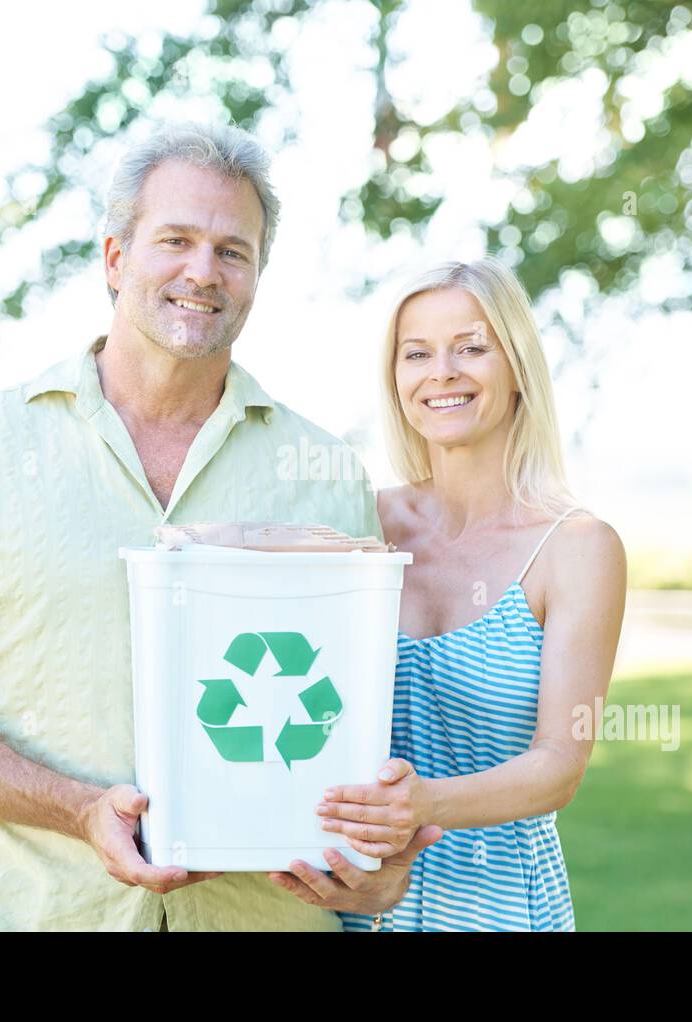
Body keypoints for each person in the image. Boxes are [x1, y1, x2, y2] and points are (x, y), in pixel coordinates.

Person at [0, 121, 426, 931]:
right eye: (174, 239)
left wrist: (373, 875)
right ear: (115, 258)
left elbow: (353, 723)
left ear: (256, 277)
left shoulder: (323, 473)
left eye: (232, 251)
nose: (201, 272)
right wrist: (76, 809)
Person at [271, 259, 627, 931]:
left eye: (471, 347)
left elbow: (558, 766)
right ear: (396, 378)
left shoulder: (578, 547)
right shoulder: (358, 525)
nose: (443, 372)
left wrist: (421, 804)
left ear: (517, 365)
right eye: (417, 353)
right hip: (353, 910)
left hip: (499, 910)